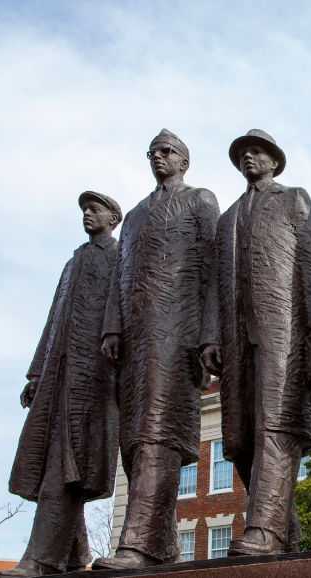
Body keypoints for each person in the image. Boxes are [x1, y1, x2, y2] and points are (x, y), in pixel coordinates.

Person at [94, 129, 220, 570]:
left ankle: (137, 545)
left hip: (178, 336)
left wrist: (210, 335)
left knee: (157, 434)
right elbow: (119, 277)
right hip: (136, 341)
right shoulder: (134, 215)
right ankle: (162, 544)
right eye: (153, 152)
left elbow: (213, 272)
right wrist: (112, 327)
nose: (158, 158)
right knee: (134, 440)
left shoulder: (201, 201)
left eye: (167, 152)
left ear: (185, 160)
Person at [200, 129, 311, 555]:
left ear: (275, 160)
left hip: (284, 332)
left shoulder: (294, 199)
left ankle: (266, 531)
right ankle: (282, 528)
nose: (249, 158)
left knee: (277, 423)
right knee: (240, 436)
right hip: (236, 338)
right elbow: (215, 286)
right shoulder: (229, 216)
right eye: (243, 154)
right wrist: (210, 336)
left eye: (257, 152)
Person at [1, 191, 122, 577]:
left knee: (68, 463)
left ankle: (40, 558)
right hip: (60, 376)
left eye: (96, 209)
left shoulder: (120, 257)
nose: (88, 214)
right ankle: (71, 554)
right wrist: (36, 374)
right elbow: (53, 323)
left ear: (113, 218)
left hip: (95, 377)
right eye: (85, 210)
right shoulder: (74, 262)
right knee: (57, 462)